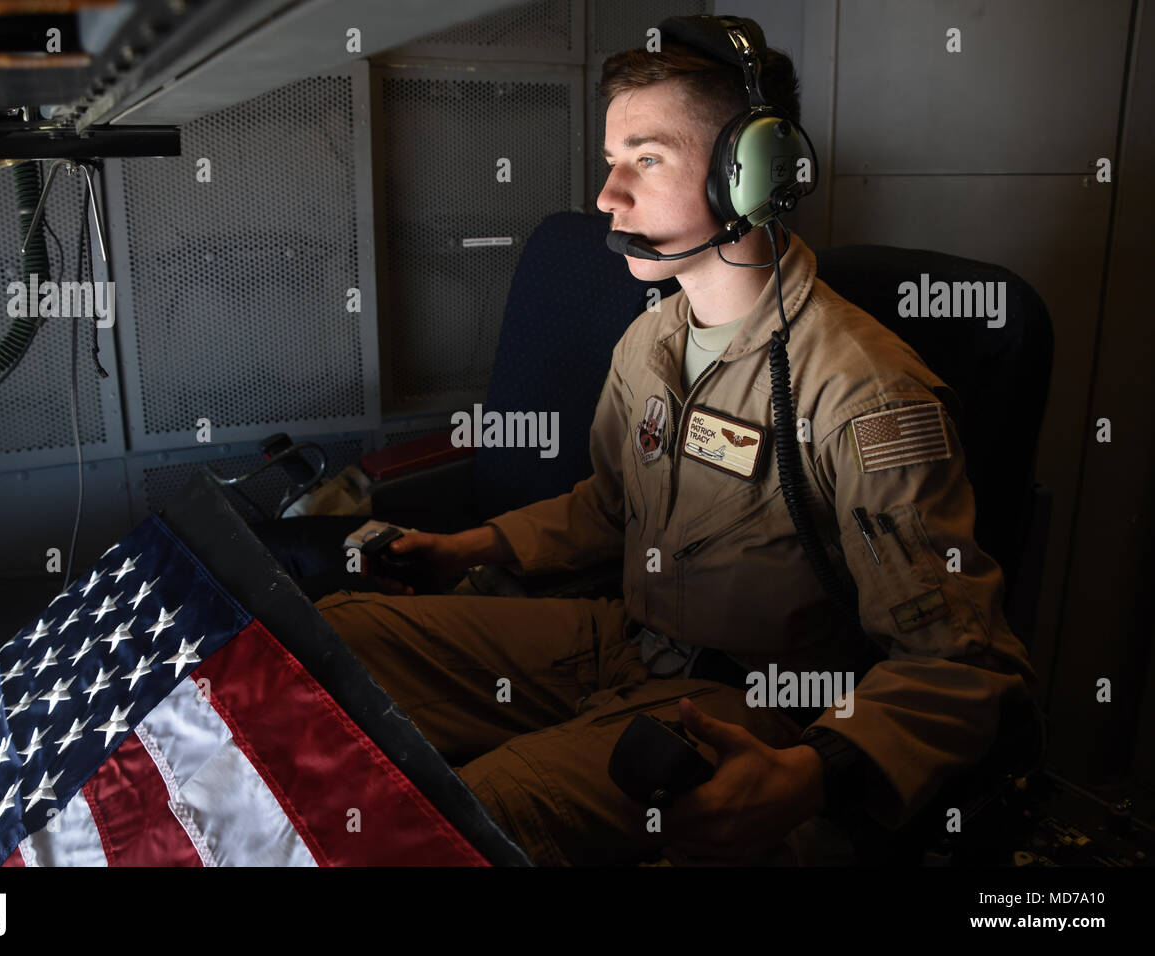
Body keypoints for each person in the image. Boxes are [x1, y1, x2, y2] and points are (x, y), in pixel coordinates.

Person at [314, 21, 1038, 866]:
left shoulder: (863, 392)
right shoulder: (651, 341)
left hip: (750, 698)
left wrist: (811, 773)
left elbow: (964, 664)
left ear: (750, 179)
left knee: (486, 811)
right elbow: (610, 507)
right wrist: (465, 548)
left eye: (645, 160)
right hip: (625, 640)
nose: (607, 197)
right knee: (333, 636)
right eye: (612, 160)